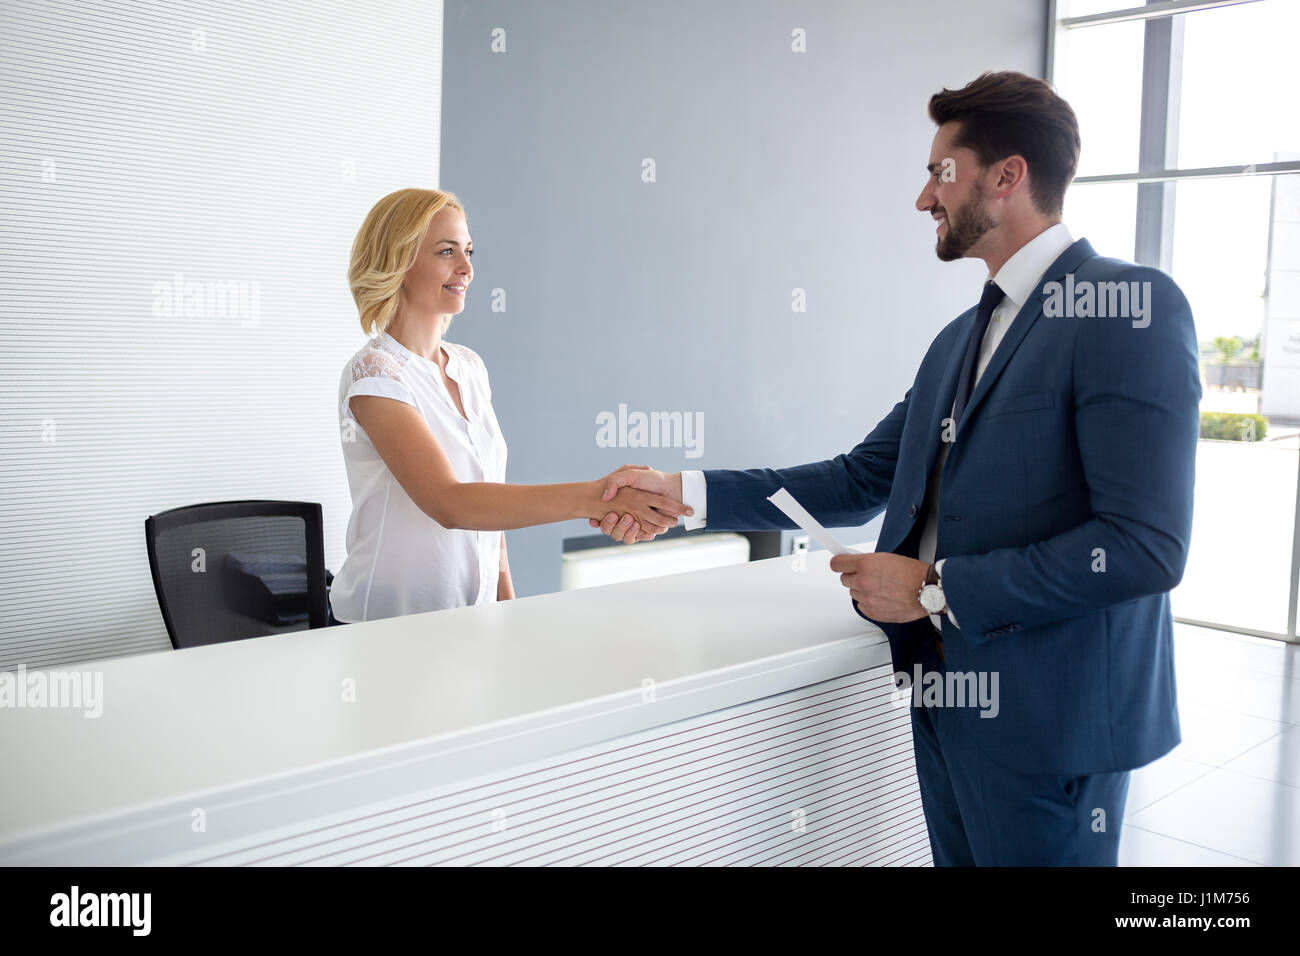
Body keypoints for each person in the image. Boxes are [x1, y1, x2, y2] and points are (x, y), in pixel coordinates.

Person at [592, 72, 1201, 866]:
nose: (923, 199)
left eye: (940, 173)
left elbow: (1146, 547)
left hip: (1053, 722)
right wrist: (684, 494)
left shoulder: (1128, 307)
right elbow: (857, 478)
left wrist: (933, 587)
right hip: (942, 696)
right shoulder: (957, 339)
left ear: (1008, 176)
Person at [328, 188, 689, 625]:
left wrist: (508, 613)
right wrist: (598, 498)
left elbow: (489, 509)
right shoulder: (375, 373)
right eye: (447, 252)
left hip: (470, 623)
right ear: (399, 261)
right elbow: (452, 503)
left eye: (468, 251)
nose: (467, 269)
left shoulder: (469, 367)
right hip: (388, 628)